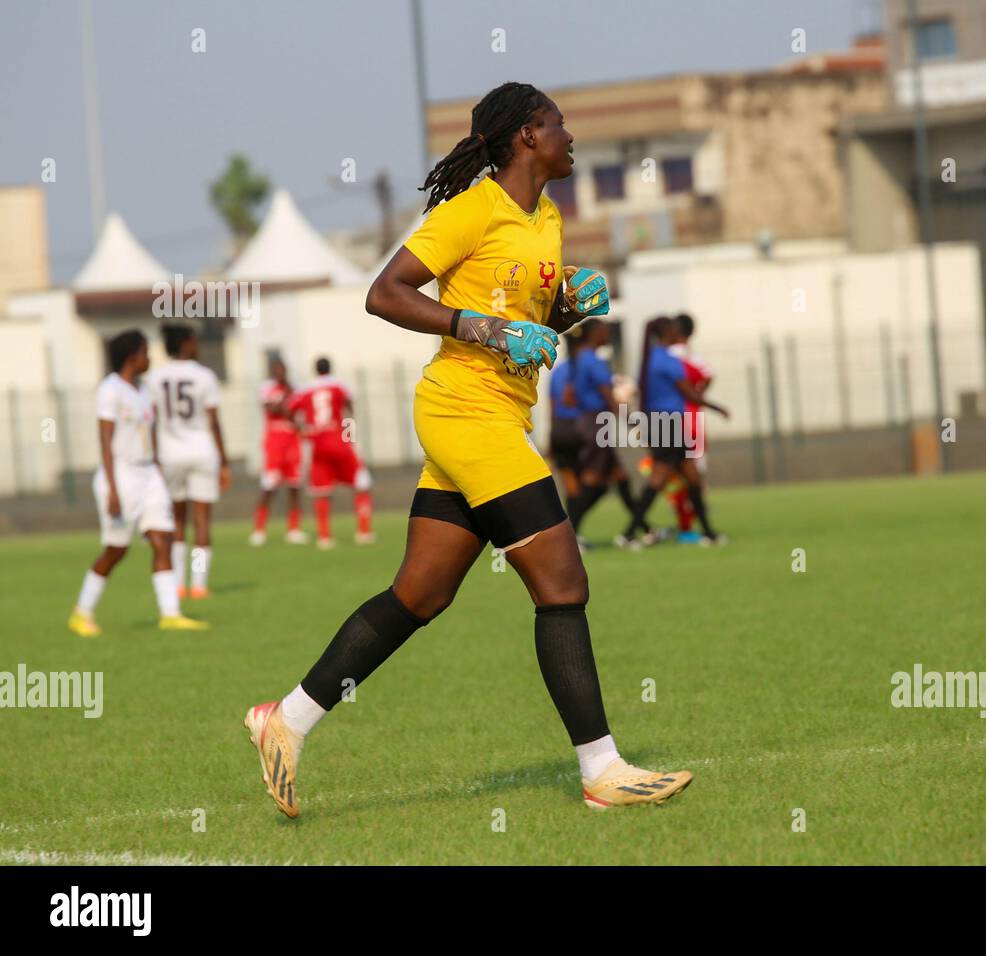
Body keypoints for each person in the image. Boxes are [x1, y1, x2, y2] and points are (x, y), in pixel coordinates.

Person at [242, 82, 693, 818]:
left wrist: (571, 305)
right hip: (464, 413)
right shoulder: (473, 208)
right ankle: (601, 771)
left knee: (420, 594)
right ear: (525, 136)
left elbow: (529, 324)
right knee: (562, 583)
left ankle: (285, 721)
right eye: (558, 123)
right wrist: (484, 329)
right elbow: (386, 292)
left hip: (497, 415)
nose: (569, 134)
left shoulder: (544, 216)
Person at [68, 329, 208, 636]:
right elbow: (105, 439)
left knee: (163, 539)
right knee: (116, 550)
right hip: (120, 476)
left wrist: (156, 465)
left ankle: (170, 613)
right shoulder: (110, 390)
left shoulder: (143, 389)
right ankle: (82, 612)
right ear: (132, 356)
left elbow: (149, 433)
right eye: (145, 352)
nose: (149, 358)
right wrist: (113, 489)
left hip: (148, 475)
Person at [617, 317, 728, 548]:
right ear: (668, 333)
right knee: (660, 478)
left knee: (691, 476)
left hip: (657, 422)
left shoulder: (648, 361)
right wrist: (718, 408)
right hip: (669, 423)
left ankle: (708, 533)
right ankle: (628, 534)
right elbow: (690, 394)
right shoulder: (668, 361)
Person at [150, 323, 230, 598]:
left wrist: (153, 457)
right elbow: (214, 422)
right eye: (194, 341)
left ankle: (178, 584)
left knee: (177, 522)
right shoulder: (204, 376)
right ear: (185, 344)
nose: (198, 346)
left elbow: (150, 421)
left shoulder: (155, 378)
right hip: (202, 452)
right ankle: (199, 584)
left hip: (169, 454)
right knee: (202, 520)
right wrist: (225, 461)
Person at [565, 317, 646, 542]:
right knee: (592, 480)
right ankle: (568, 534)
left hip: (588, 422)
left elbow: (569, 396)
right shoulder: (594, 361)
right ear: (594, 334)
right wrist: (632, 421)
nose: (607, 335)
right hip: (596, 425)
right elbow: (609, 397)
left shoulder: (579, 359)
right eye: (603, 331)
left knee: (620, 477)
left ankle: (642, 528)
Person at [286, 357, 375, 550]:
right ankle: (364, 531)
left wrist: (302, 430)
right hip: (338, 439)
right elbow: (349, 410)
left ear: (315, 370)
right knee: (362, 483)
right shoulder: (339, 385)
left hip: (317, 443)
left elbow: (289, 409)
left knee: (321, 490)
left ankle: (324, 536)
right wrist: (350, 437)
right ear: (330, 368)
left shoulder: (306, 389)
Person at [666, 312, 714, 542]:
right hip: (691, 420)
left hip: (664, 421)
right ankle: (691, 525)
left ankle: (684, 523)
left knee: (673, 476)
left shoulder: (661, 356)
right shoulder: (694, 361)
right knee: (694, 476)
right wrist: (697, 396)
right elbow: (707, 376)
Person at [250, 357, 307, 546]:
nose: (280, 373)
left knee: (294, 486)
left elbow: (296, 415)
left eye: (283, 369)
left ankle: (294, 528)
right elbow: (274, 410)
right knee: (269, 486)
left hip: (293, 440)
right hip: (275, 441)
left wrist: (288, 406)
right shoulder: (267, 388)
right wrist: (286, 399)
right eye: (277, 369)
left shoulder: (296, 389)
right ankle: (259, 528)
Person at [547, 329, 584, 516]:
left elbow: (552, 406)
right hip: (579, 428)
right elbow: (572, 399)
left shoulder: (558, 370)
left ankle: (575, 533)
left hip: (560, 429)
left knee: (571, 485)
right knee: (592, 481)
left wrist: (551, 436)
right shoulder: (584, 368)